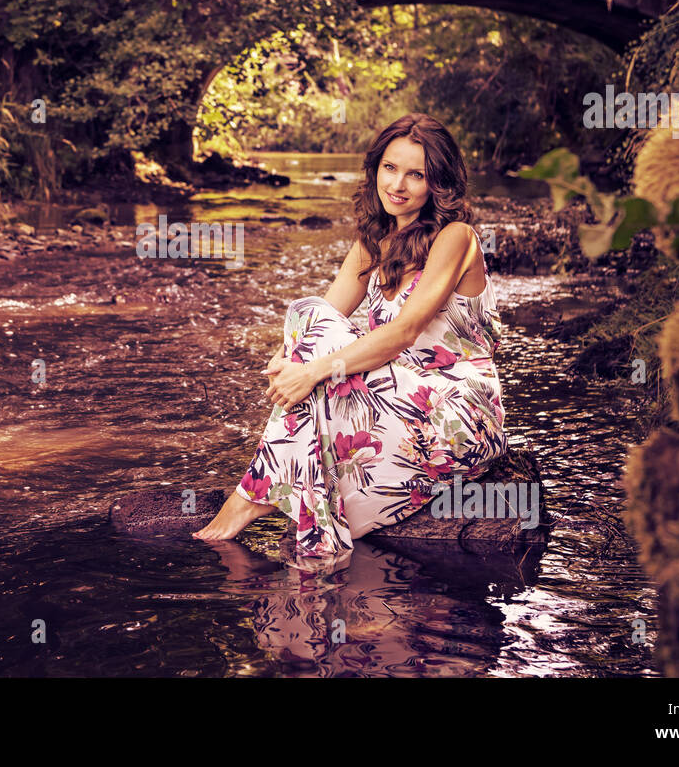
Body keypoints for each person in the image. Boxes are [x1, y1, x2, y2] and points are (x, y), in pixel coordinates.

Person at [194, 114, 509, 559]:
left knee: (319, 354)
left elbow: (404, 332)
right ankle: (282, 509)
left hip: (460, 411)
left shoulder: (456, 238)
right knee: (308, 315)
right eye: (390, 168)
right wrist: (285, 360)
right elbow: (318, 316)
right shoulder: (372, 242)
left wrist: (310, 371)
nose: (398, 184)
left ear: (438, 183)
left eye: (416, 174)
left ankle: (250, 498)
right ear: (375, 169)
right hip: (394, 402)